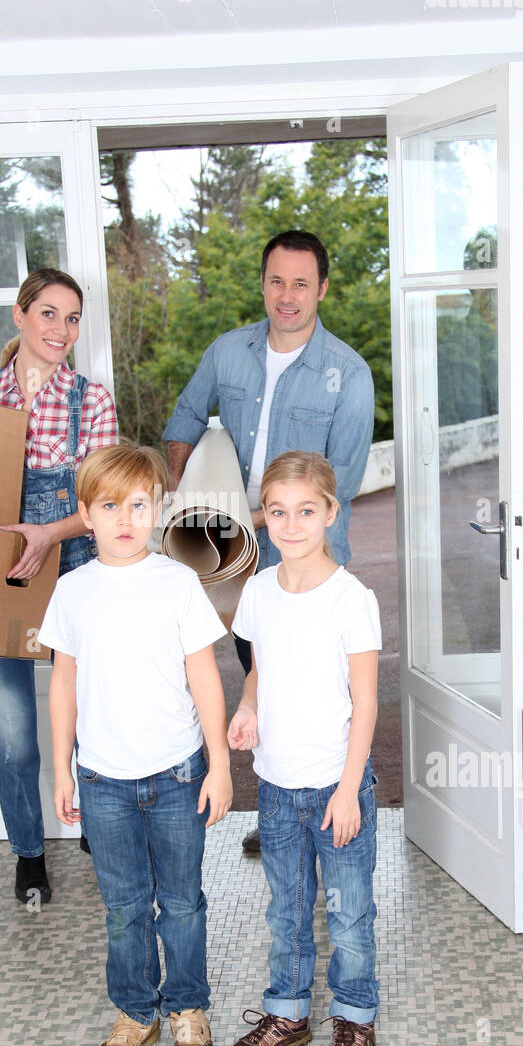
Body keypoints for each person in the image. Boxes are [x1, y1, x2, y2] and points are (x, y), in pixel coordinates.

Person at [162, 229, 374, 855]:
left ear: (322, 289)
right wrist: (182, 498)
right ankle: (278, 810)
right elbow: (183, 419)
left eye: (301, 283)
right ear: (262, 283)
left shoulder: (348, 373)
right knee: (255, 678)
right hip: (224, 550)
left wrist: (262, 518)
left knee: (319, 690)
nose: (287, 295)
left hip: (300, 550)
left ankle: (338, 799)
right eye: (277, 281)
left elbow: (346, 478)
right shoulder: (228, 352)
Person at [39, 443, 233, 1046]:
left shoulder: (177, 583)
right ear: (85, 514)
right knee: (124, 907)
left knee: (181, 900)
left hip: (178, 772)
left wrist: (221, 765)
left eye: (140, 505)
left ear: (158, 510)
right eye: (110, 506)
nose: (126, 518)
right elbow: (63, 684)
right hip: (103, 781)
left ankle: (187, 1007)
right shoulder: (71, 591)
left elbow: (205, 677)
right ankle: (134, 1011)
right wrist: (61, 768)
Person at [0, 268, 117, 906]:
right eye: (49, 314)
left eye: (72, 318)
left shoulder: (90, 400)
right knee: (14, 727)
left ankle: (94, 828)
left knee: (86, 713)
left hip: (72, 559)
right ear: (20, 315)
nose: (61, 329)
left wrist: (48, 532)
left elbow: (103, 501)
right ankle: (28, 852)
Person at [223, 450, 381, 1046]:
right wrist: (247, 708)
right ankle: (286, 1012)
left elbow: (365, 703)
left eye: (306, 512)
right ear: (264, 516)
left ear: (330, 514)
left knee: (347, 912)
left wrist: (348, 790)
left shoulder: (351, 599)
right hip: (277, 787)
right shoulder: (257, 592)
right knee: (286, 910)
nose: (291, 526)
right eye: (279, 512)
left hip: (336, 788)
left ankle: (355, 1019)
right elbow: (260, 668)